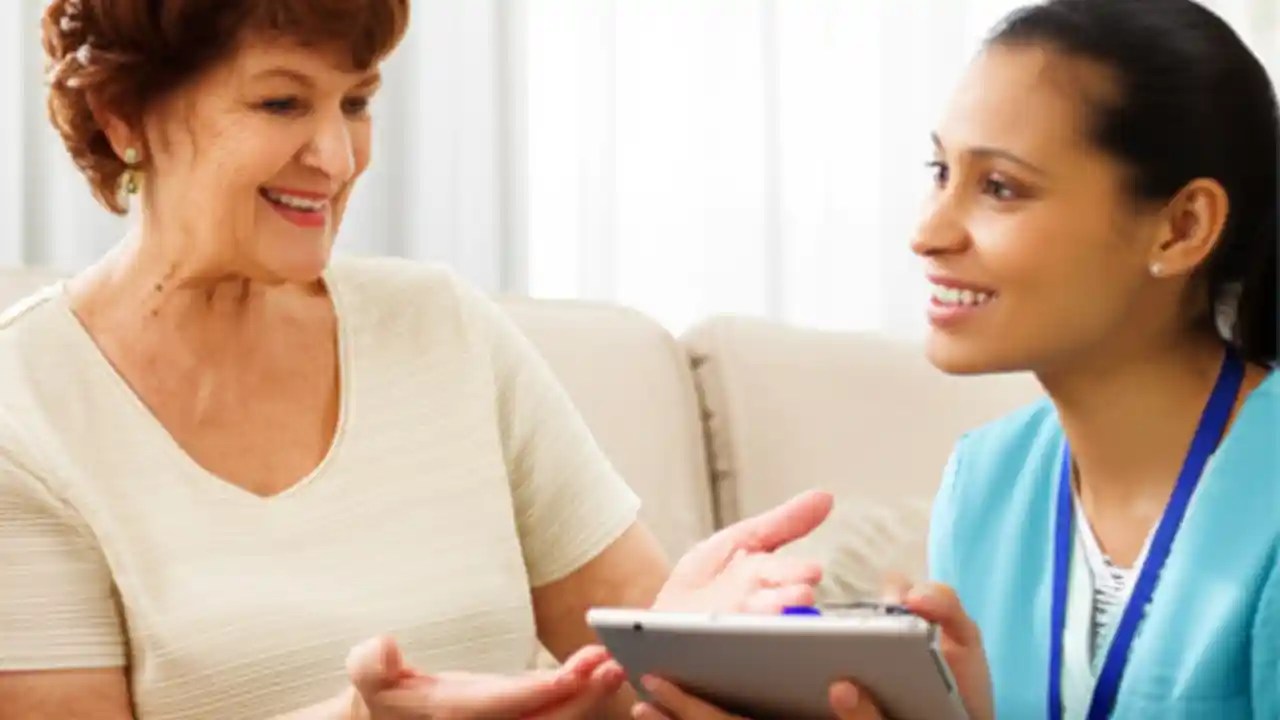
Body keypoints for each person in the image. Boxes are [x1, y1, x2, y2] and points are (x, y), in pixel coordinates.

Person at [0, 1, 835, 718]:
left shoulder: (444, 328)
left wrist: (705, 642)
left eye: (356, 102)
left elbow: (636, 677)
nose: (336, 157)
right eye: (283, 102)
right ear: (122, 113)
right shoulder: (25, 409)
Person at [637, 0, 1279, 718]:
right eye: (939, 171)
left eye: (999, 187)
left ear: (1181, 228)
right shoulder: (984, 485)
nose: (927, 232)